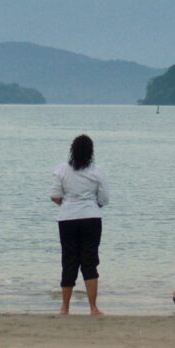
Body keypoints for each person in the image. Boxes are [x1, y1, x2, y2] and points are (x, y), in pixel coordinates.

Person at [49, 134, 109, 316]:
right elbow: (104, 198)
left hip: (67, 219)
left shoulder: (61, 170)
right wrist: (92, 204)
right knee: (90, 261)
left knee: (69, 261)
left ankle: (64, 308)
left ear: (72, 150)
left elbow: (55, 196)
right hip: (91, 218)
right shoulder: (97, 172)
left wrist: (66, 203)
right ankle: (93, 308)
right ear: (91, 152)